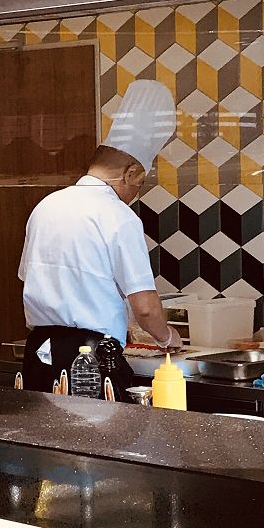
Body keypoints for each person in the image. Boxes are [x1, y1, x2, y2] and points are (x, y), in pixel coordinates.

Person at [17, 78, 182, 395]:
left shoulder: (46, 206)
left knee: (43, 427)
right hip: (92, 359)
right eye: (139, 184)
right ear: (129, 173)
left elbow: (28, 277)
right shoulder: (119, 217)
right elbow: (145, 308)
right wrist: (166, 337)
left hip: (39, 352)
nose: (135, 193)